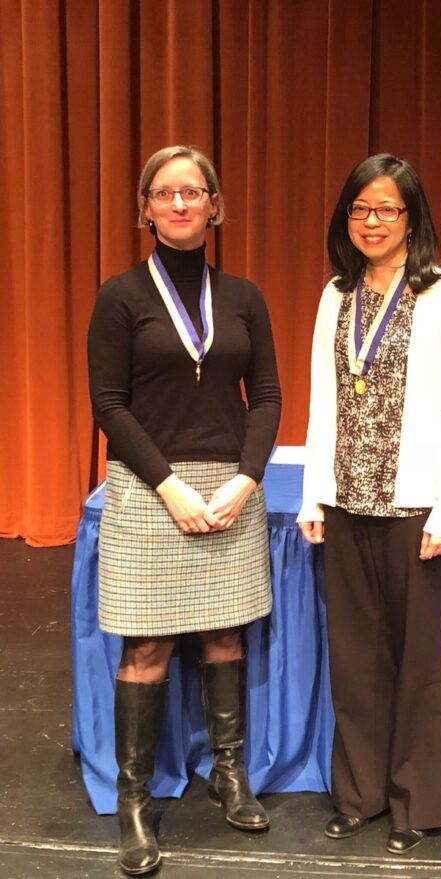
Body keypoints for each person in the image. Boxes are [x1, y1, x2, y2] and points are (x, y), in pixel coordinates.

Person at [87, 145, 281, 875]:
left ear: (214, 205)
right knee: (148, 647)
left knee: (224, 632)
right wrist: (168, 484)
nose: (178, 204)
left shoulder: (244, 297)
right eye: (164, 193)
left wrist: (247, 478)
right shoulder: (120, 296)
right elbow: (108, 404)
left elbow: (265, 397)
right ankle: (135, 802)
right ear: (145, 209)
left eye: (191, 192)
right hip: (148, 488)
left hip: (230, 484)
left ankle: (230, 775)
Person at [297, 154, 441, 855]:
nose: (372, 222)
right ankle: (359, 795)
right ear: (347, 218)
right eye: (360, 209)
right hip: (345, 501)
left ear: (412, 218)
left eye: (387, 209)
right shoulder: (335, 294)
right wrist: (314, 491)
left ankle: (416, 806)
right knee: (355, 660)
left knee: (417, 663)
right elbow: (323, 399)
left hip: (413, 509)